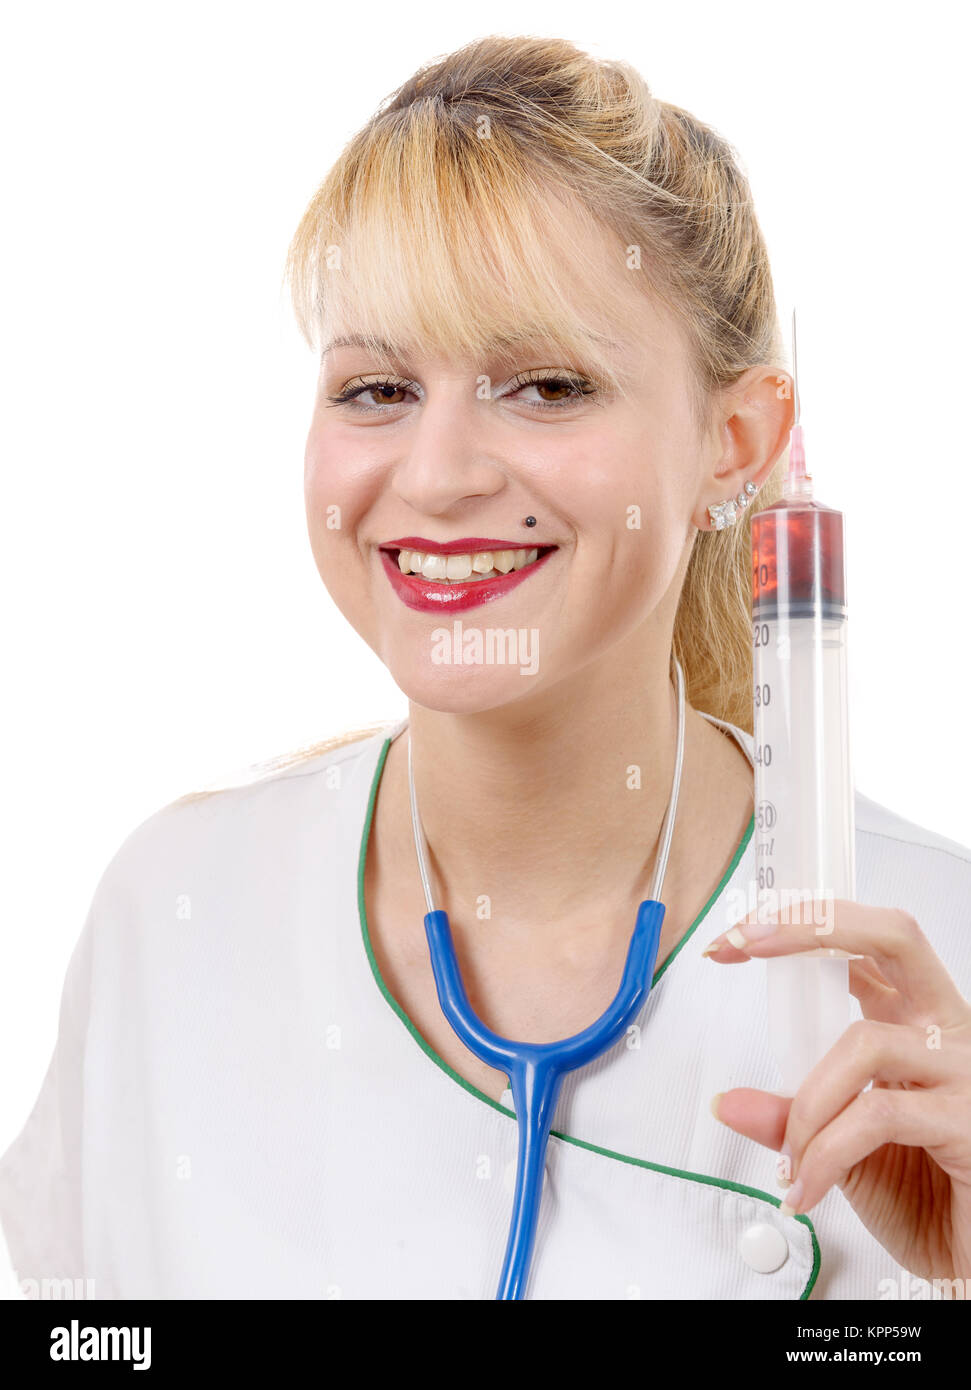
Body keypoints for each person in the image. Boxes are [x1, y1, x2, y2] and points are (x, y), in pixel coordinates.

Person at [2, 33, 970, 1301]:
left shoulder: (932, 964)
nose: (439, 472)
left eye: (547, 384)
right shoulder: (175, 914)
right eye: (376, 388)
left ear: (735, 443)